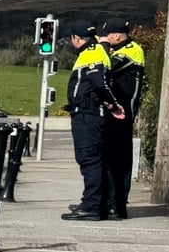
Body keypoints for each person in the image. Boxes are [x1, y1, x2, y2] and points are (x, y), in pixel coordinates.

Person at [62, 22, 127, 221]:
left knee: (89, 160)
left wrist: (113, 106)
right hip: (89, 114)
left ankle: (91, 207)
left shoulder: (92, 54)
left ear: (76, 39)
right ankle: (92, 203)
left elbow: (99, 84)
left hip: (88, 115)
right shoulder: (94, 52)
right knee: (92, 159)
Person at [101, 19, 145, 219]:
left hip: (124, 114)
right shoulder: (120, 49)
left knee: (119, 161)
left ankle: (117, 206)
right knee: (109, 159)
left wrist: (102, 47)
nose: (106, 38)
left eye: (108, 35)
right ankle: (108, 203)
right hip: (115, 112)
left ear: (117, 35)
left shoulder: (132, 50)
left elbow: (109, 67)